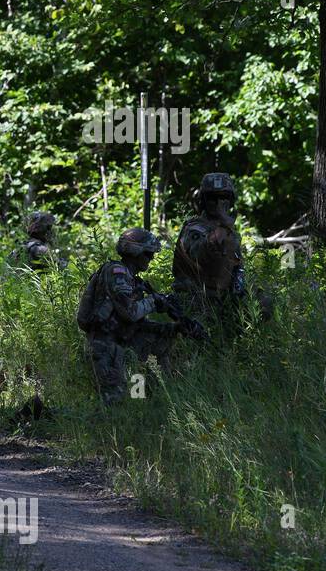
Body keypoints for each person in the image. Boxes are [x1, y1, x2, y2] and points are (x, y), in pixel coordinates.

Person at [77, 228, 183, 404]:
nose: (151, 258)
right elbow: (130, 313)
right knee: (114, 404)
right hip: (106, 345)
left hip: (124, 344)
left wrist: (173, 327)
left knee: (135, 397)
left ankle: (151, 401)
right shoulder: (116, 272)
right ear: (135, 252)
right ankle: (42, 415)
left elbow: (138, 322)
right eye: (148, 254)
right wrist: (154, 302)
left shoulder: (133, 279)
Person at [172, 172, 271, 330]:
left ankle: (243, 341)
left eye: (223, 197)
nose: (218, 202)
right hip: (196, 297)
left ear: (230, 200)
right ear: (204, 200)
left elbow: (235, 266)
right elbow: (199, 255)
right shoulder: (194, 228)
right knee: (200, 332)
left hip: (222, 297)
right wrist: (224, 227)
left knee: (264, 303)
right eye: (212, 197)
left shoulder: (229, 232)